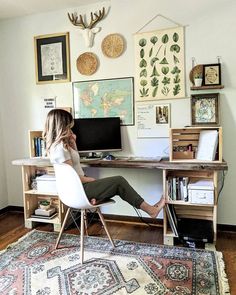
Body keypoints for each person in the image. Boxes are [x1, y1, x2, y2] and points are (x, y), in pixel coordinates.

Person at [43, 109, 165, 218]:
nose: (70, 129)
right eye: (68, 126)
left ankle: (96, 198)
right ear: (61, 125)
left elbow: (73, 168)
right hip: (79, 190)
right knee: (119, 181)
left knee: (110, 184)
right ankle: (150, 210)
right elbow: (72, 178)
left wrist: (73, 143)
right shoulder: (61, 149)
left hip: (74, 191)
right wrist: (89, 180)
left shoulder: (57, 147)